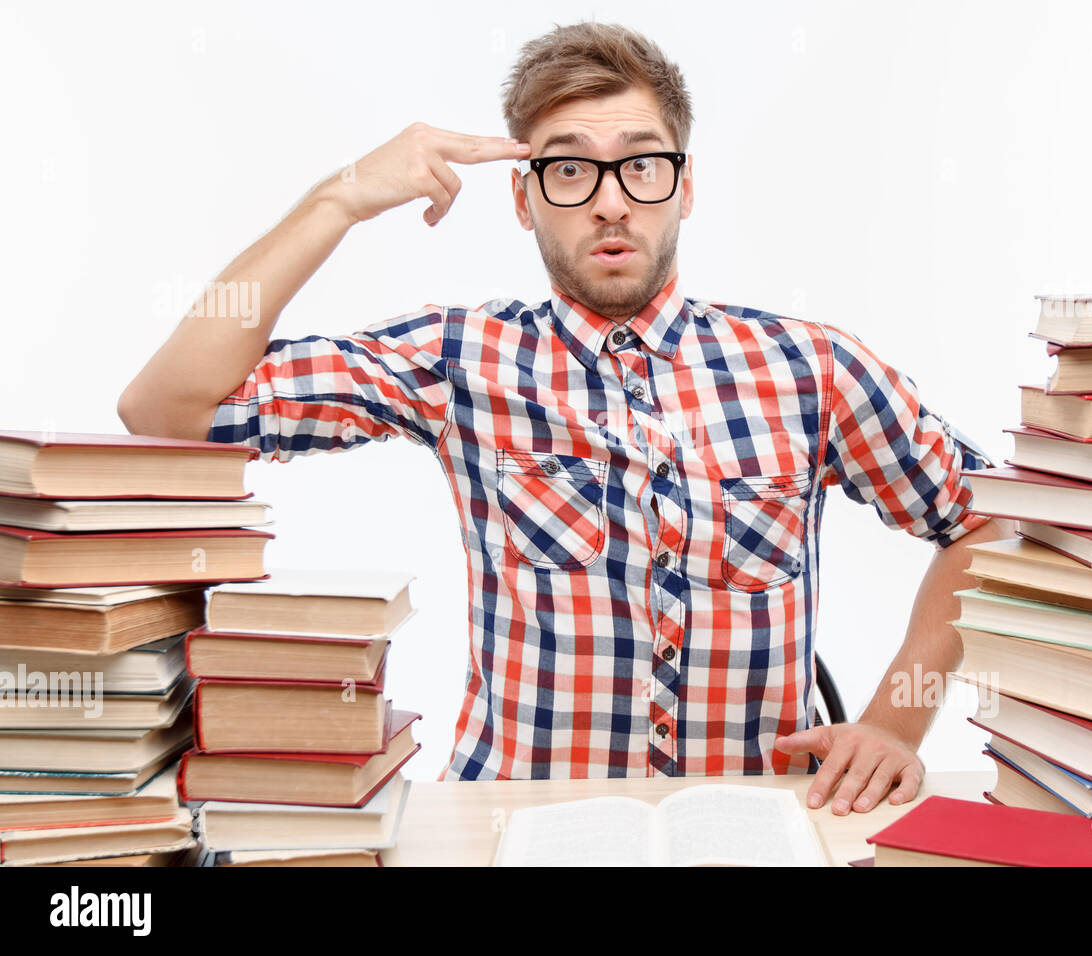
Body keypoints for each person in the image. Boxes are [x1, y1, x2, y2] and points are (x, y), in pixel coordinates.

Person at [119, 21, 1012, 815]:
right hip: (512, 825)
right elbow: (166, 411)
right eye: (570, 167)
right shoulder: (458, 359)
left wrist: (896, 724)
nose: (611, 200)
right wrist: (340, 198)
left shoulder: (808, 365)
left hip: (756, 824)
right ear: (525, 196)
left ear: (685, 186)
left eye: (641, 163)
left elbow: (989, 515)